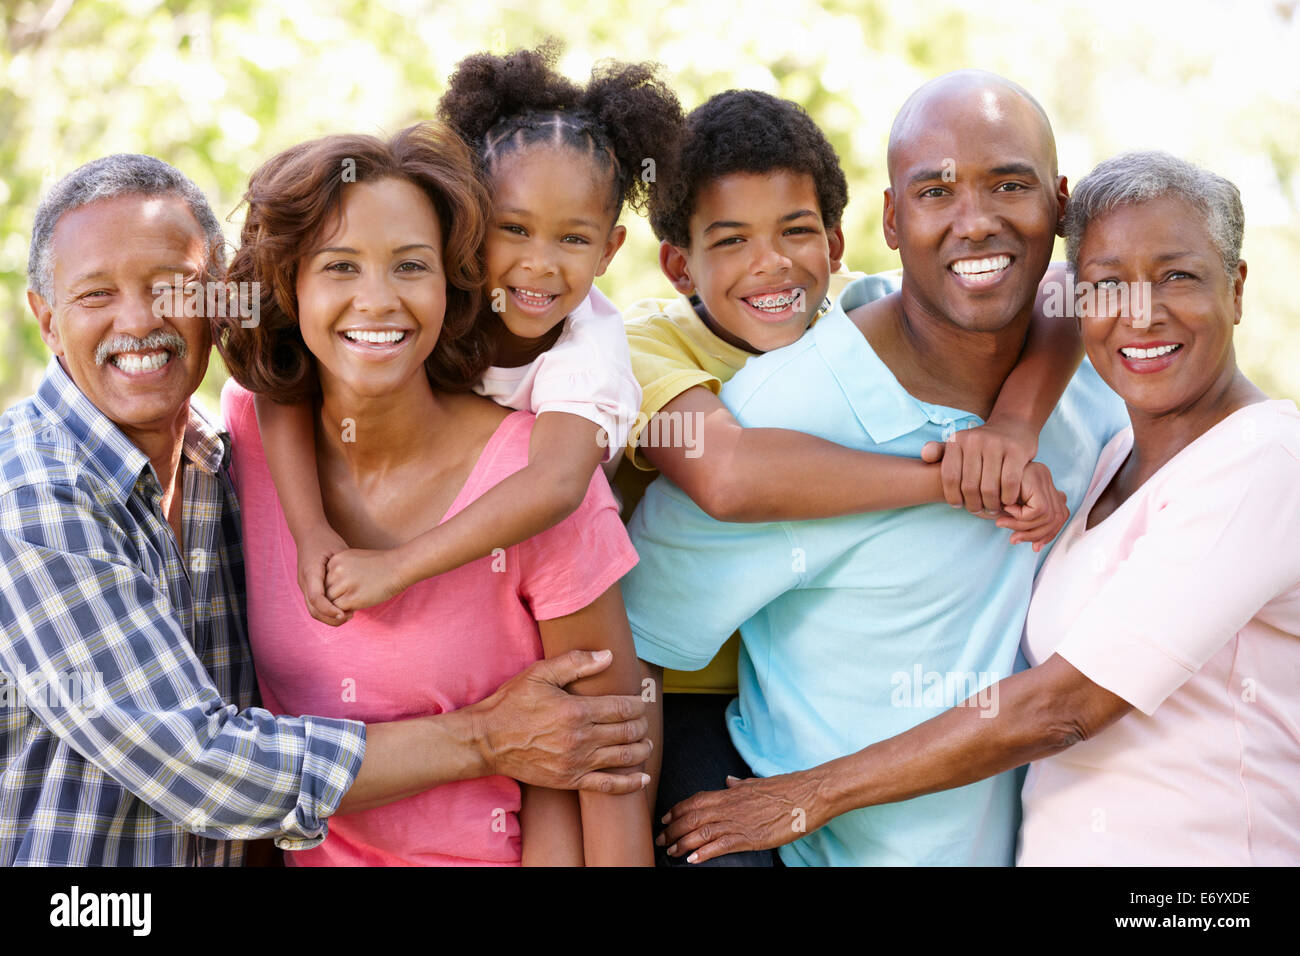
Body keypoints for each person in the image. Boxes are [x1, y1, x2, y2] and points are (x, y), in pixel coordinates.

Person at [0, 152, 652, 867]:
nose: (140, 319)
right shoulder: (32, 498)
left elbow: (605, 750)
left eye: (174, 288)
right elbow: (199, 764)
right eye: (95, 295)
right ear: (47, 321)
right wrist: (486, 738)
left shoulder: (223, 461)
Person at [657, 150, 1300, 867]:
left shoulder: (1264, 459)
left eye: (1179, 276)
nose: (1139, 313)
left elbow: (1061, 708)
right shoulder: (1113, 453)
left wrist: (811, 795)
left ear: (1237, 289)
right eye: (1108, 285)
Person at [622, 70, 1131, 865]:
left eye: (1010, 184)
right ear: (894, 219)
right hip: (770, 786)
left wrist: (1011, 427)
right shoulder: (749, 401)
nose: (977, 221)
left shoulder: (1103, 363)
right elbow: (716, 497)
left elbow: (1061, 289)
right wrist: (953, 479)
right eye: (936, 191)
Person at [217, 122, 654, 865]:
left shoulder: (544, 479)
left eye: (410, 267)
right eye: (341, 267)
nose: (378, 300)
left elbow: (610, 754)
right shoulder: (249, 438)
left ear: (454, 286)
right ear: (290, 285)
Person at [253, 45, 681, 625]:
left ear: (609, 250)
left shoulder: (588, 352)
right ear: (471, 222)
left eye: (573, 240)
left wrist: (397, 566)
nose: (539, 264)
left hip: (562, 569)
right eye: (514, 229)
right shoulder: (437, 294)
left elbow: (555, 485)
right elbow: (284, 385)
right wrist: (310, 531)